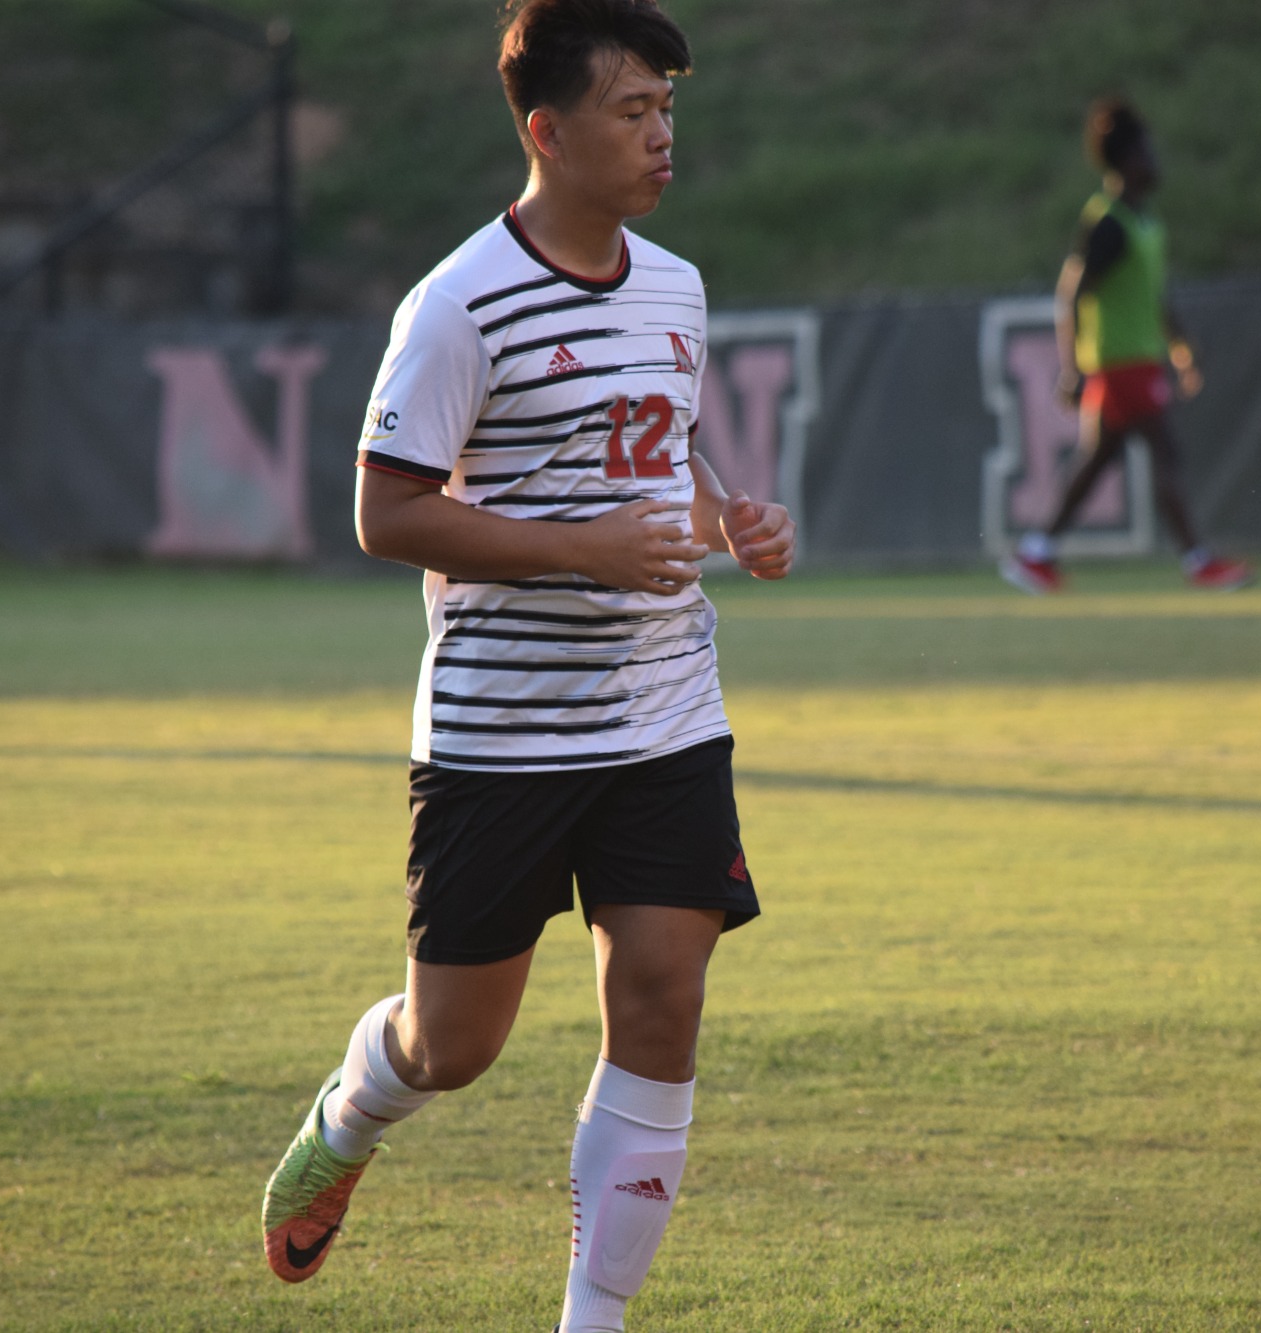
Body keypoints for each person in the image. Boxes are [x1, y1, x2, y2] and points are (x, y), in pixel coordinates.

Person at [258, 3, 796, 1330]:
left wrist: (737, 517)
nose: (663, 134)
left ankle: (590, 1323)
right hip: (501, 738)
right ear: (548, 131)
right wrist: (581, 552)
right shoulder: (455, 306)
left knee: (664, 997)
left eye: (669, 109)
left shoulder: (677, 286)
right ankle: (351, 1109)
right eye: (634, 110)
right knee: (458, 1047)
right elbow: (385, 513)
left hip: (667, 712)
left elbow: (661, 448)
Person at [1000, 97, 1254, 594]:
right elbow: (1071, 293)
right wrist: (1071, 366)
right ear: (1126, 161)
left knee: (1099, 458)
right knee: (1166, 453)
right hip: (1119, 362)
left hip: (1139, 358)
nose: (1154, 161)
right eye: (1145, 152)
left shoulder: (1145, 222)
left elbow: (1151, 295)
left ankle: (1036, 553)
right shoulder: (1110, 222)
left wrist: (1180, 345)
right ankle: (1197, 560)